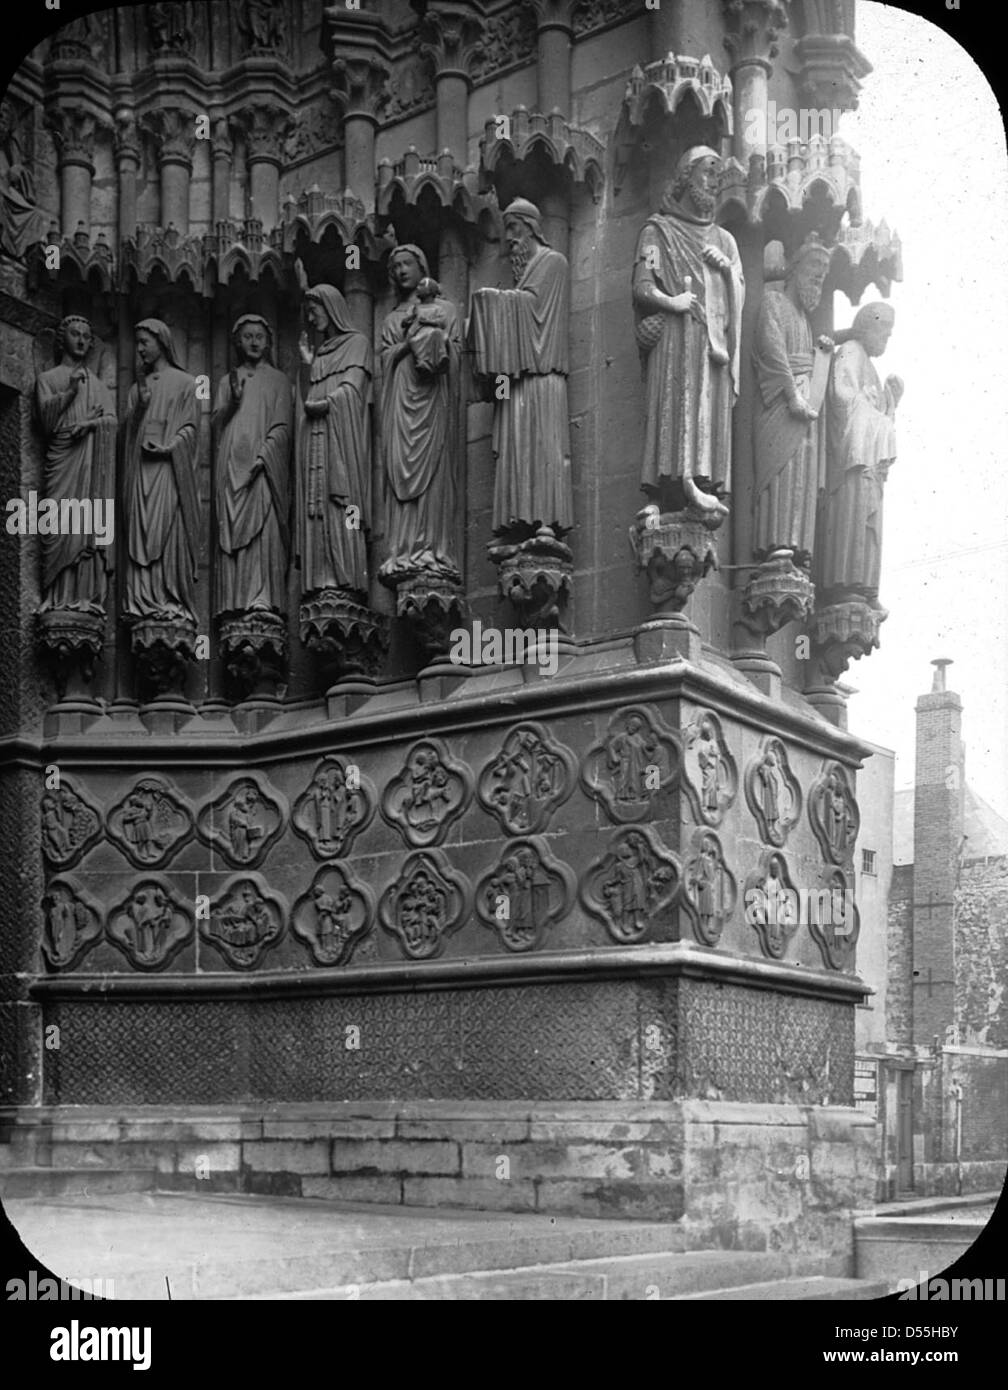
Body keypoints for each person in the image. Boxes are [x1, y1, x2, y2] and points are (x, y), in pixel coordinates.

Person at [632, 146, 744, 514]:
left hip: (711, 345)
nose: (712, 184)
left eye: (717, 176)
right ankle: (660, 495)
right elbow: (642, 285)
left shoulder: (725, 240)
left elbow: (739, 294)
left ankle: (700, 482)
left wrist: (727, 270)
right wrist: (673, 302)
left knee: (703, 409)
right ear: (685, 177)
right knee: (671, 405)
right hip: (675, 339)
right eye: (706, 173)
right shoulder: (657, 231)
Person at [469, 198, 573, 539]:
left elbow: (536, 312)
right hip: (513, 382)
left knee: (543, 447)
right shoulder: (524, 275)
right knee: (513, 445)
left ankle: (545, 520)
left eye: (514, 229)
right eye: (505, 231)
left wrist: (492, 305)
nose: (509, 239)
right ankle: (516, 521)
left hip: (542, 378)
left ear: (531, 228)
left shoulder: (553, 262)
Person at [377, 245, 462, 584]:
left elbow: (456, 356)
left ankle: (431, 548)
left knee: (435, 473)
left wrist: (432, 342)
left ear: (422, 265)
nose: (401, 270)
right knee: (400, 470)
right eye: (395, 265)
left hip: (432, 396)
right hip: (401, 399)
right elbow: (384, 360)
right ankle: (403, 550)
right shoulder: (390, 319)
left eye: (407, 263)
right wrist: (407, 345)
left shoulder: (446, 309)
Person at [752, 235, 833, 566]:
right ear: (795, 269)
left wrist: (822, 353)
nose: (818, 279)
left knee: (801, 471)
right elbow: (772, 351)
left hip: (802, 405)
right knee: (782, 472)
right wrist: (792, 395)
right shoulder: (774, 302)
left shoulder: (805, 320)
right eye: (814, 269)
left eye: (823, 275)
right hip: (781, 404)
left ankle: (796, 545)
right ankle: (775, 543)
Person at [819, 302, 901, 601]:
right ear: (867, 326)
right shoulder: (851, 351)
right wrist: (873, 408)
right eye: (883, 330)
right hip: (853, 462)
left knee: (867, 525)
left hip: (867, 463)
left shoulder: (868, 363)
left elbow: (875, 417)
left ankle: (862, 585)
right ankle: (847, 583)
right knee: (853, 517)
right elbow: (842, 397)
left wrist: (891, 403)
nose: (886, 338)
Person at [295, 284, 372, 598]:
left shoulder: (357, 343)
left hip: (343, 442)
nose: (312, 320)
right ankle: (320, 579)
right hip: (315, 440)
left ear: (332, 308)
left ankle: (347, 578)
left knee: (343, 504)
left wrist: (328, 404)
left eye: (315, 312)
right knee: (316, 508)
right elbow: (303, 397)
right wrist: (305, 364)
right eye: (309, 314)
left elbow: (353, 390)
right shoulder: (318, 355)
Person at [212, 314, 292, 618]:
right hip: (231, 465)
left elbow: (283, 426)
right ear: (237, 342)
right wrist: (231, 402)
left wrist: (266, 455)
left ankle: (263, 596)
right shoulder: (226, 381)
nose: (255, 342)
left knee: (264, 530)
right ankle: (233, 599)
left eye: (260, 336)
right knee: (231, 531)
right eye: (248, 336)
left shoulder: (278, 380)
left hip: (263, 465)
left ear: (268, 341)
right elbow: (216, 425)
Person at [35, 315, 116, 613]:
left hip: (89, 464)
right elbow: (45, 422)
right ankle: (56, 596)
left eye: (86, 335)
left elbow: (111, 422)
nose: (81, 340)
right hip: (63, 461)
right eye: (74, 334)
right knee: (59, 525)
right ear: (61, 339)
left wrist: (93, 424)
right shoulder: (49, 379)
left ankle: (83, 596)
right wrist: (69, 392)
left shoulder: (98, 386)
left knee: (85, 527)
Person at [122, 319, 200, 624]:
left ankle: (169, 598)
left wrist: (171, 448)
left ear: (161, 341)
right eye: (137, 342)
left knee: (168, 531)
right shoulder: (134, 390)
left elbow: (192, 429)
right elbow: (125, 438)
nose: (139, 349)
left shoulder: (185, 383)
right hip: (141, 470)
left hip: (169, 470)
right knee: (139, 532)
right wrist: (139, 409)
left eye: (144, 342)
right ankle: (142, 600)